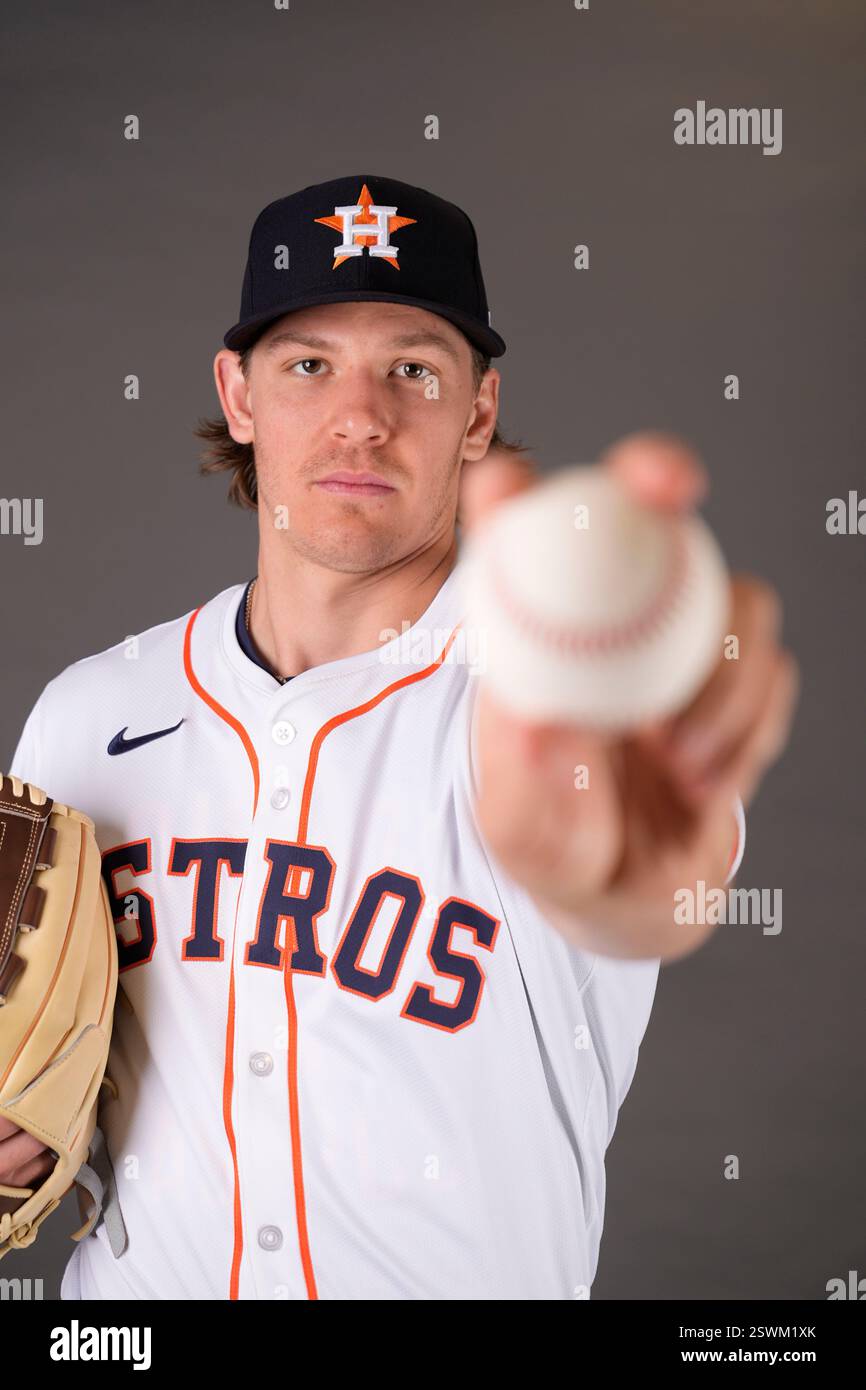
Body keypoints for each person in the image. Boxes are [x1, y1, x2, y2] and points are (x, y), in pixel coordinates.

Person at [1, 175, 797, 1299]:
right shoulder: (88, 717)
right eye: (308, 364)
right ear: (237, 394)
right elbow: (44, 1063)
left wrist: (638, 876)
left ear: (477, 411)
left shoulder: (567, 704)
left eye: (412, 369)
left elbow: (647, 882)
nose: (360, 414)